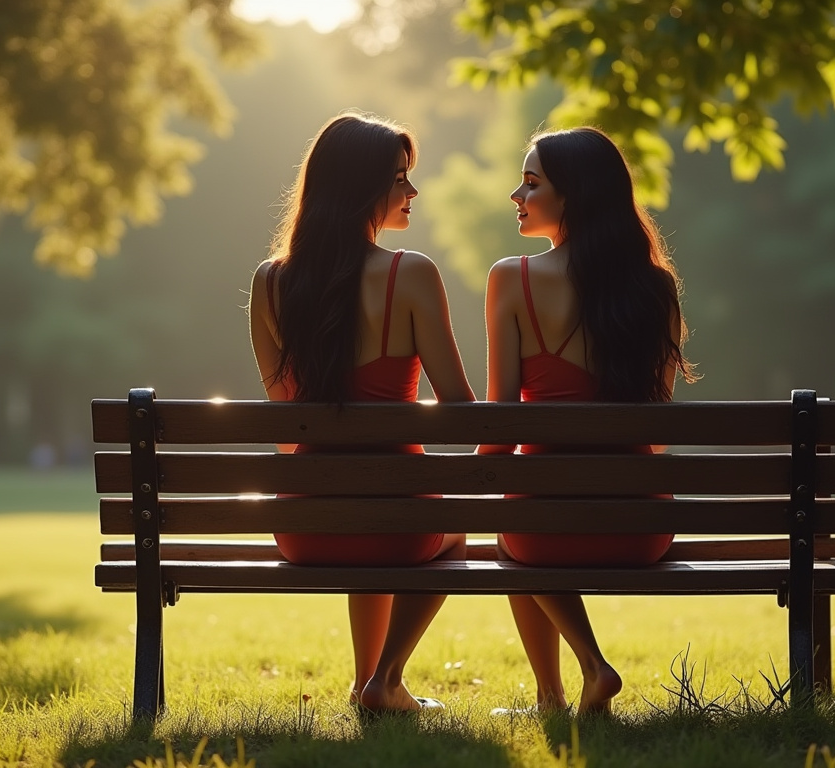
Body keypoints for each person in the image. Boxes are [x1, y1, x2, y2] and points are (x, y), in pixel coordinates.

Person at [248, 112, 476, 713]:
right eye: (400, 178)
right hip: (398, 522)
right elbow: (461, 409)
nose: (412, 191)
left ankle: (365, 684)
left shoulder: (270, 283)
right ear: (362, 188)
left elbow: (286, 413)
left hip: (303, 526)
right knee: (456, 531)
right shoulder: (411, 274)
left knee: (370, 513)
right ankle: (386, 679)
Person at [481, 127, 697, 714]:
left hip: (542, 527)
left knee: (513, 533)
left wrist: (466, 487)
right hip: (641, 526)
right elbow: (655, 429)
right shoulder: (655, 288)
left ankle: (584, 673)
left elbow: (501, 423)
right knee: (519, 529)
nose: (515, 195)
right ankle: (558, 694)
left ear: (571, 195)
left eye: (531, 183)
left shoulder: (511, 279)